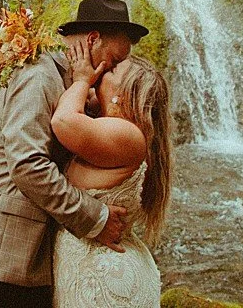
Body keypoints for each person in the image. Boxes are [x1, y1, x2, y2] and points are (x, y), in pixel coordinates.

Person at [0, 0, 149, 308]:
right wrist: (95, 217)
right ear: (92, 40)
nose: (115, 73)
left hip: (17, 253)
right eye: (115, 62)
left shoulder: (75, 83)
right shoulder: (38, 76)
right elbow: (28, 165)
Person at [49, 43, 171, 308]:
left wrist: (82, 80)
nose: (101, 70)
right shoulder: (116, 131)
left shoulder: (128, 135)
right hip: (91, 268)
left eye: (112, 70)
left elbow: (63, 122)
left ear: (124, 95)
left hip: (107, 280)